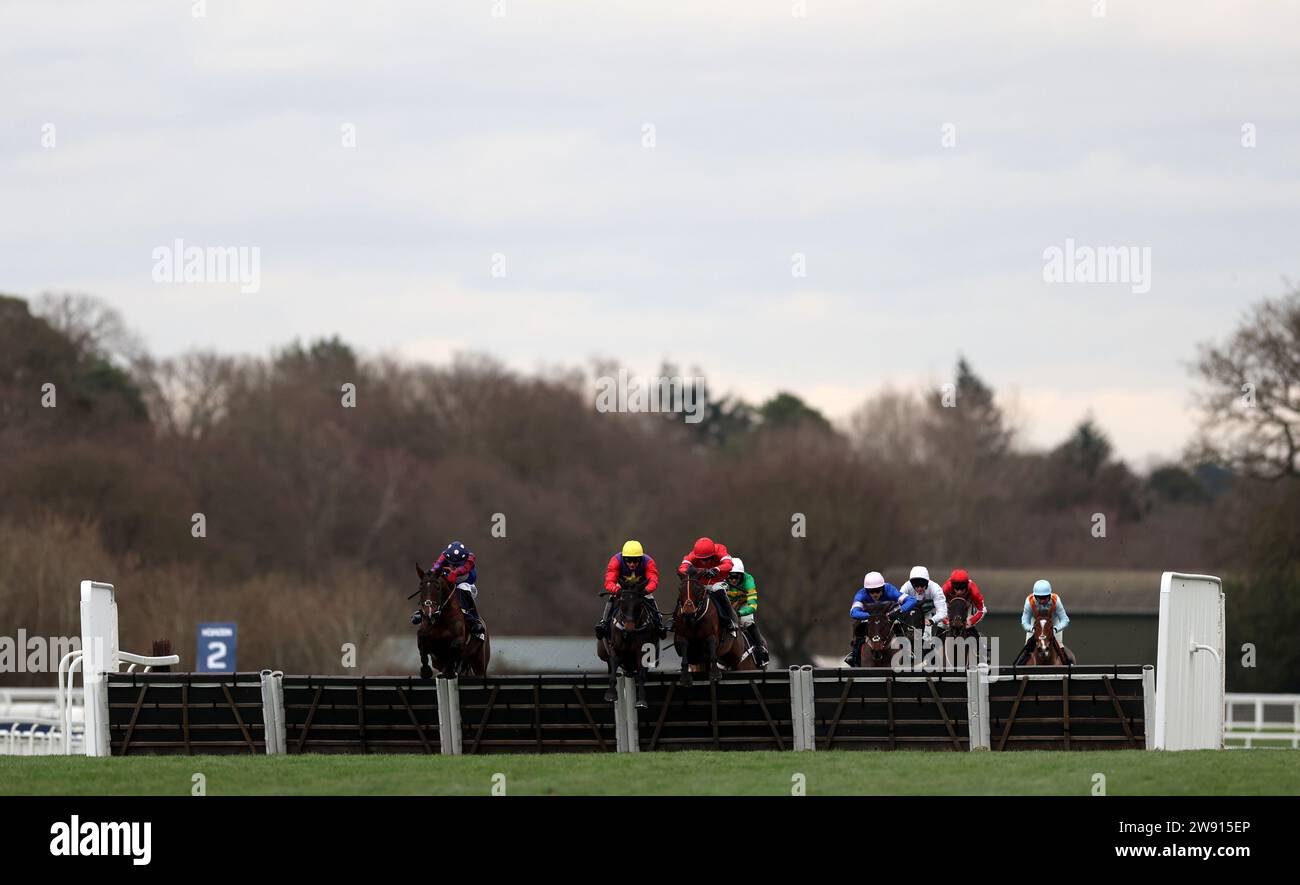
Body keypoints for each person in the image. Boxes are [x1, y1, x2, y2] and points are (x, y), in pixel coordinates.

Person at [411, 540, 485, 639]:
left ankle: (475, 620)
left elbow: (463, 570)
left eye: (457, 564)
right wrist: (430, 575)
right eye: (452, 564)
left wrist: (454, 572)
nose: (454, 566)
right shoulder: (444, 555)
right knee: (434, 588)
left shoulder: (469, 558)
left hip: (467, 584)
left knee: (463, 589)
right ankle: (424, 613)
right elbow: (436, 566)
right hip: (450, 583)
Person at [596, 540, 666, 640]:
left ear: (641, 558)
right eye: (628, 560)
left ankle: (659, 625)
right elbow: (609, 581)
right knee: (612, 597)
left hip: (640, 588)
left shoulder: (649, 562)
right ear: (623, 558)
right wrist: (617, 590)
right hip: (622, 587)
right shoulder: (615, 560)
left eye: (636, 560)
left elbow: (653, 581)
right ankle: (604, 622)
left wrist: (646, 591)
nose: (632, 564)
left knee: (650, 598)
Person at [843, 571, 915, 666]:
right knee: (857, 626)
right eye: (871, 592)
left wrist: (898, 611)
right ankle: (854, 655)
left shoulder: (889, 590)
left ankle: (907, 652)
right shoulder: (861, 594)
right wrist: (868, 616)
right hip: (870, 615)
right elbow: (853, 612)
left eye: (877, 591)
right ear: (866, 590)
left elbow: (911, 600)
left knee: (899, 624)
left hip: (887, 614)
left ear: (883, 588)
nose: (875, 594)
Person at [676, 537, 739, 635]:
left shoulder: (720, 550)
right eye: (701, 560)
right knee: (686, 590)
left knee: (718, 590)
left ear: (713, 555)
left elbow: (729, 564)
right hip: (700, 584)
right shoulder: (692, 555)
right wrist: (698, 571)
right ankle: (674, 619)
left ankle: (730, 619)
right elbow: (682, 568)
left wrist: (716, 569)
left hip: (717, 582)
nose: (704, 562)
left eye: (707, 559)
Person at [723, 557, 769, 666]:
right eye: (730, 576)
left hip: (743, 604)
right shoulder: (721, 579)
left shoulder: (748, 580)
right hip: (727, 603)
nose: (733, 580)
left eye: (736, 577)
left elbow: (752, 606)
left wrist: (739, 613)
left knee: (747, 621)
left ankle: (760, 649)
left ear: (742, 575)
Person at [1015, 579, 1073, 664]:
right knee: (1027, 646)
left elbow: (1065, 620)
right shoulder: (1029, 601)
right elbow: (1024, 621)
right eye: (1039, 598)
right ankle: (1019, 665)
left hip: (1053, 621)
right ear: (1035, 596)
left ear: (1049, 595)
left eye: (1044, 597)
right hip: (1036, 622)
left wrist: (1055, 629)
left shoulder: (1056, 600)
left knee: (1059, 644)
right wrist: (1033, 629)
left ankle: (1067, 663)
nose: (1042, 601)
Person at [899, 565, 948, 632]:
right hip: (910, 614)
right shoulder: (906, 587)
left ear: (927, 583)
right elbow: (898, 606)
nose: (919, 589)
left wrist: (932, 620)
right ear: (912, 584)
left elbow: (943, 612)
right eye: (916, 586)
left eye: (922, 585)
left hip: (928, 615)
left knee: (940, 627)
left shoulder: (936, 589)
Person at [940, 568, 987, 632]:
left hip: (967, 608)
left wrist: (971, 621)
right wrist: (947, 622)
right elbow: (939, 609)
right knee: (941, 626)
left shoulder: (974, 591)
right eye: (956, 588)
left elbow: (982, 610)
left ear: (967, 586)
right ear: (952, 586)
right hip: (950, 608)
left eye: (962, 588)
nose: (959, 592)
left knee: (969, 629)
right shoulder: (945, 589)